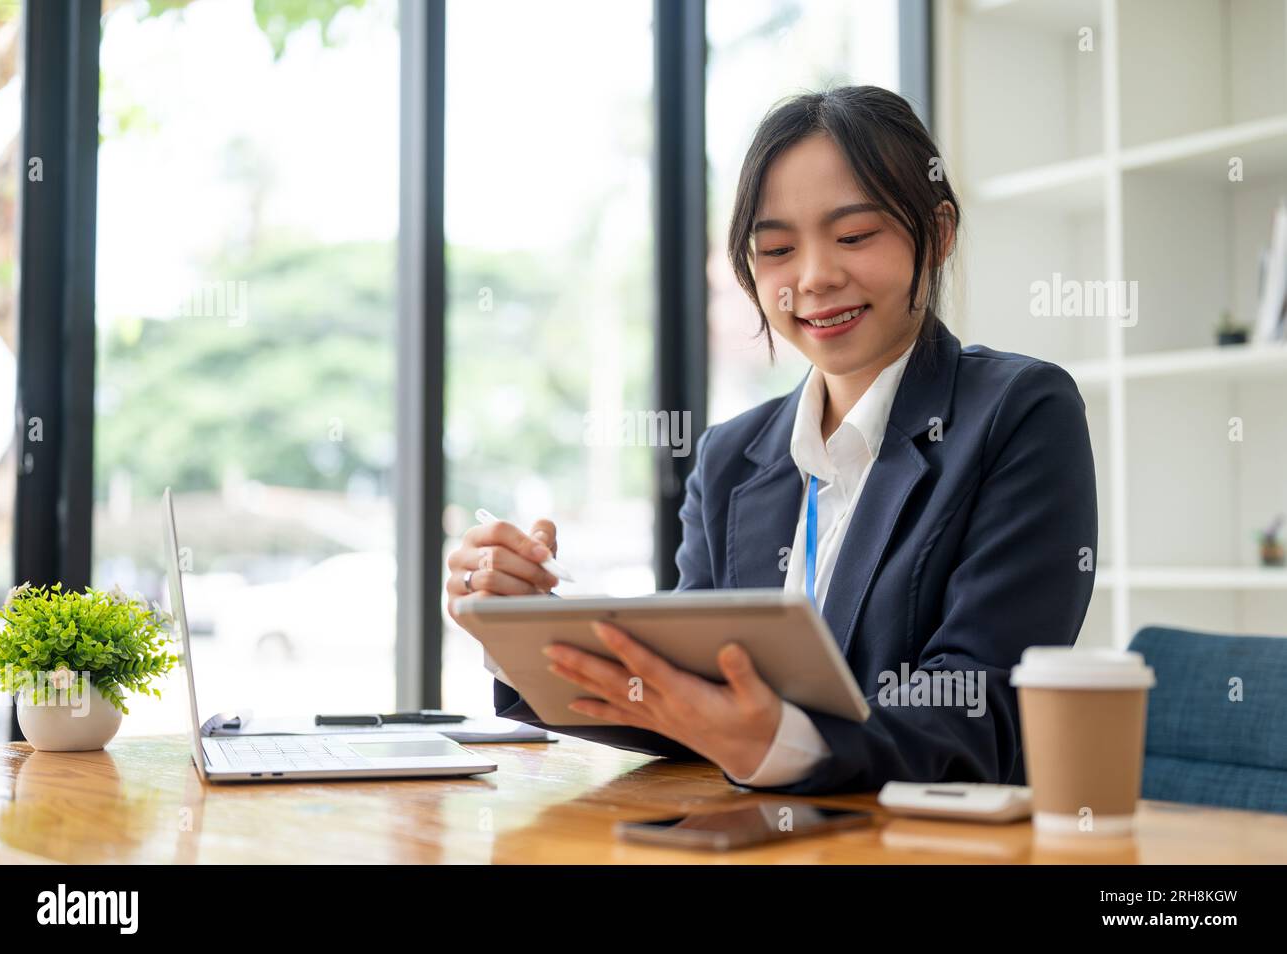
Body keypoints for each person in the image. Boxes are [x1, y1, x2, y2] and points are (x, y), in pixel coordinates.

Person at [445, 85, 1096, 796]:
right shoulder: (731, 459)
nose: (814, 278)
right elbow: (681, 707)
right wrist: (525, 630)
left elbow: (979, 709)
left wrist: (776, 741)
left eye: (853, 236)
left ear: (937, 234)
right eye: (778, 249)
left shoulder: (1018, 412)